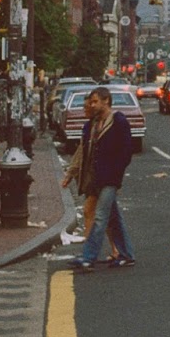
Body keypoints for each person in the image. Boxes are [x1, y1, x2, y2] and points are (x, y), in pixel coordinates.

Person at [62, 86, 136, 272]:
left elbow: (127, 151)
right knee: (113, 217)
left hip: (110, 179)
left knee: (101, 216)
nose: (92, 105)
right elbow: (83, 151)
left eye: (95, 102)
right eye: (91, 102)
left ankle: (88, 258)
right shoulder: (92, 124)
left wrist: (116, 173)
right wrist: (73, 173)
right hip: (95, 180)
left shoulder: (118, 121)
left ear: (106, 101)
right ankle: (126, 255)